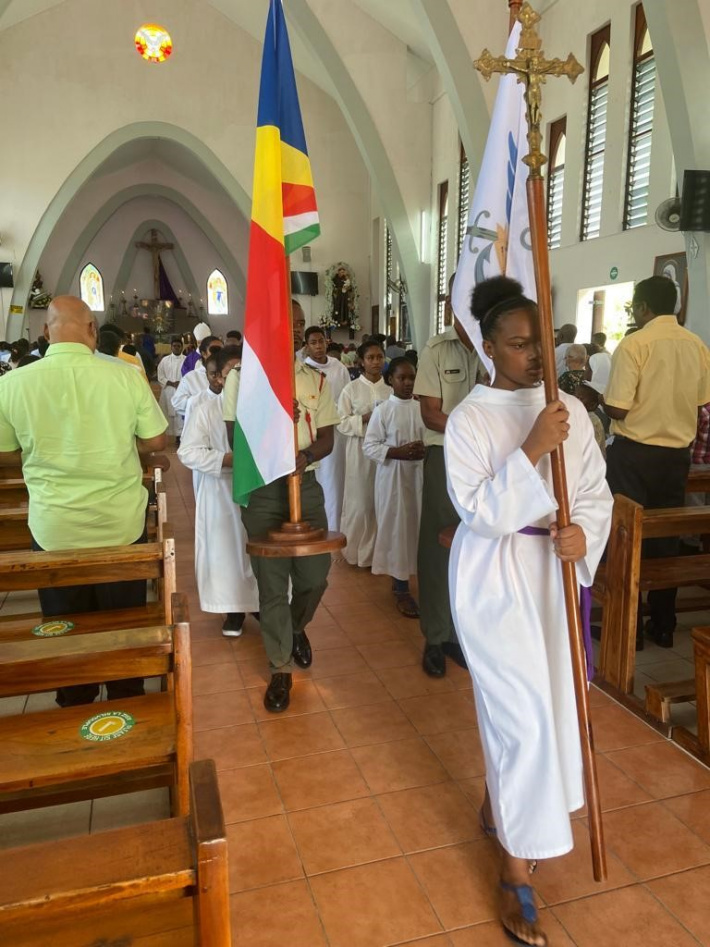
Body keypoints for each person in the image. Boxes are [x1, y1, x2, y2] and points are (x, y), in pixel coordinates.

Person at [445, 278, 612, 947]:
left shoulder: (568, 404)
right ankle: (516, 871)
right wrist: (534, 445)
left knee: (555, 710)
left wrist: (584, 535)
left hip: (553, 577)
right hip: (496, 580)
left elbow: (595, 492)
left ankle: (501, 802)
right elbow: (479, 511)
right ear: (488, 349)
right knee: (525, 719)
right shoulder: (470, 419)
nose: (535, 357)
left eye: (540, 342)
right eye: (518, 346)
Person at [0, 296, 168, 706]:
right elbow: (156, 441)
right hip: (119, 529)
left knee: (65, 628)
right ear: (93, 330)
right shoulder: (126, 377)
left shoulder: (12, 383)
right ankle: (126, 697)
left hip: (55, 531)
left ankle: (74, 698)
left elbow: (4, 452)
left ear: (45, 333)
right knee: (121, 625)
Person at [223, 299, 339, 712]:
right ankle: (280, 667)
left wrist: (304, 458)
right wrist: (273, 423)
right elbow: (235, 435)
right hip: (264, 489)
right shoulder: (242, 379)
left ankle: (293, 628)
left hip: (304, 486)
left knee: (315, 575)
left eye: (301, 324)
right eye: (286, 323)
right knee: (272, 584)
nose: (294, 331)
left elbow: (326, 437)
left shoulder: (316, 380)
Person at [604, 275, 710, 649]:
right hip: (675, 457)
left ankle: (628, 627)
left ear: (643, 307)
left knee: (625, 537)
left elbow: (618, 406)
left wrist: (596, 397)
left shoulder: (635, 343)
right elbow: (700, 402)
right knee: (664, 539)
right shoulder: (696, 345)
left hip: (633, 454)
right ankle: (663, 623)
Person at [413, 279, 480, 677]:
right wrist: (475, 430)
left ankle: (464, 634)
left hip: (488, 459)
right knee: (439, 543)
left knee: (479, 543)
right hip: (447, 455)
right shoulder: (436, 350)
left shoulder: (494, 349)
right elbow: (431, 413)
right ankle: (436, 636)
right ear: (451, 304)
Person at [178, 347, 258, 635]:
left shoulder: (260, 407)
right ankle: (232, 610)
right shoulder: (205, 408)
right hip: (220, 490)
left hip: (257, 491)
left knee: (256, 550)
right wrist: (226, 459)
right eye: (234, 373)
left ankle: (262, 606)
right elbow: (187, 453)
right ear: (220, 378)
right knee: (226, 552)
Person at [363, 357, 425, 616]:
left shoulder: (423, 408)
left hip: (419, 476)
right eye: (402, 378)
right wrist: (397, 452)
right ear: (391, 380)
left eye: (412, 377)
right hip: (394, 478)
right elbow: (370, 445)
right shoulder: (383, 410)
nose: (408, 383)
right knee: (398, 529)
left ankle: (419, 579)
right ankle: (400, 587)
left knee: (418, 528)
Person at [338, 340, 390, 567]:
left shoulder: (390, 390)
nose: (376, 362)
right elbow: (341, 422)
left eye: (380, 357)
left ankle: (378, 555)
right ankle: (355, 552)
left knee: (379, 503)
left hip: (385, 453)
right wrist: (367, 417)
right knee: (360, 503)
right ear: (361, 361)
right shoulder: (351, 389)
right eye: (371, 358)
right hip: (358, 453)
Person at [303, 326, 351, 532]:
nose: (318, 346)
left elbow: (347, 395)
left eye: (321, 341)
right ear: (306, 346)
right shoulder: (304, 369)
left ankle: (335, 525)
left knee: (336, 479)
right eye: (313, 343)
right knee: (319, 478)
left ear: (326, 342)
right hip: (313, 429)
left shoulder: (338, 367)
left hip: (337, 429)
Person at [172, 335, 223, 422]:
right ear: (203, 354)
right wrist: (201, 400)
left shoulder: (228, 374)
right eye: (214, 350)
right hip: (199, 423)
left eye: (222, 351)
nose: (219, 354)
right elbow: (177, 402)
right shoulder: (191, 377)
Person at [157, 336, 186, 443]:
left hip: (182, 390)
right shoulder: (165, 360)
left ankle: (180, 437)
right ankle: (168, 436)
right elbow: (160, 375)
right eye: (174, 346)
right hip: (168, 390)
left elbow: (189, 375)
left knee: (180, 413)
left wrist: (181, 382)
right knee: (167, 413)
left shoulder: (186, 360)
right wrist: (169, 382)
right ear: (171, 347)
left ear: (182, 347)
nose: (176, 348)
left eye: (179, 346)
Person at [574, 382, 607, 456]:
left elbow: (592, 449)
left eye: (581, 398)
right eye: (575, 397)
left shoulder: (592, 421)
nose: (576, 400)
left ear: (592, 405)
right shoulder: (576, 415)